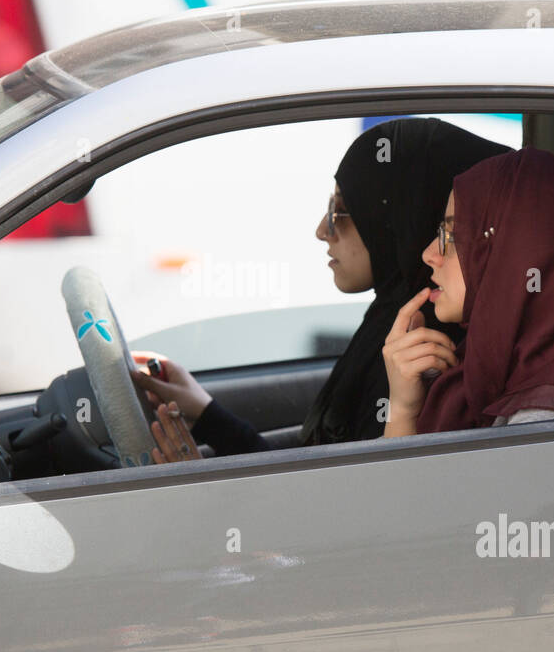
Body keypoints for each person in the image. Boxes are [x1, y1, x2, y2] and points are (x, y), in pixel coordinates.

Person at [134, 118, 511, 463]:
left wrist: (204, 495)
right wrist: (204, 413)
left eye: (341, 211)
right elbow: (316, 469)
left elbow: (343, 516)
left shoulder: (423, 350)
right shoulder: (391, 321)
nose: (322, 229)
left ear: (394, 216)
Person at [381, 147, 554, 437]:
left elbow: (410, 485)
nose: (428, 254)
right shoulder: (492, 368)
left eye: (453, 235)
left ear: (520, 252)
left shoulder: (551, 415)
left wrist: (401, 414)